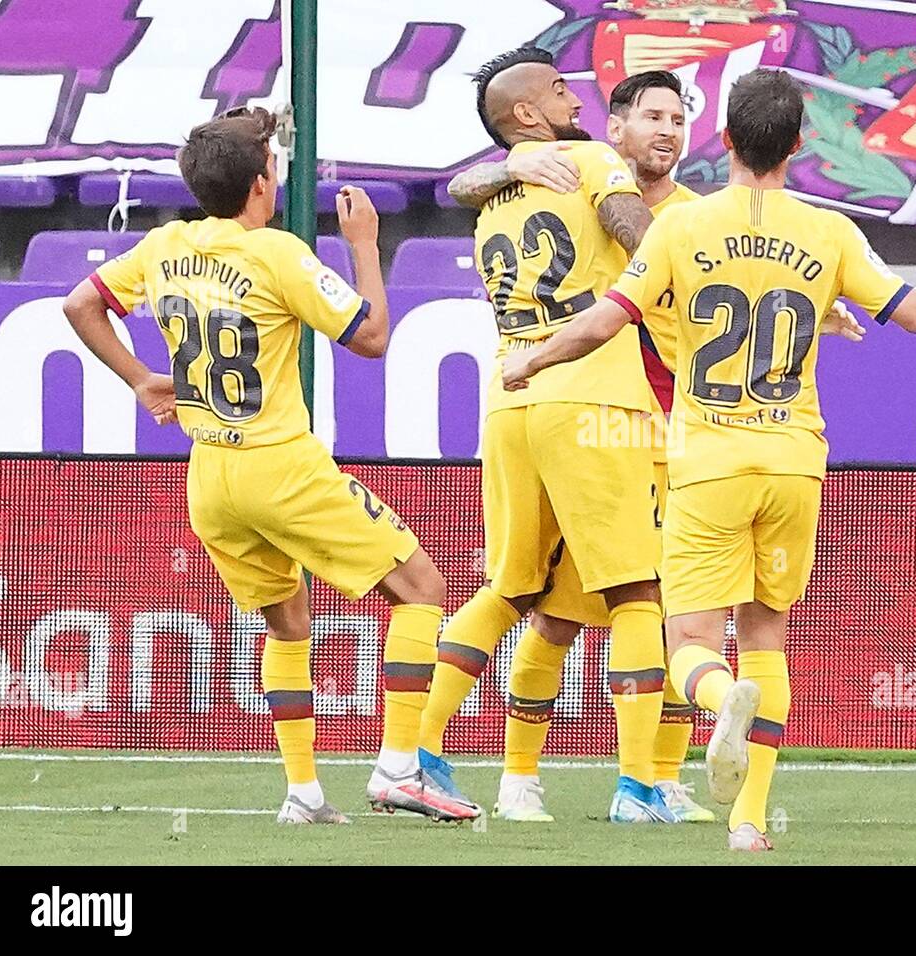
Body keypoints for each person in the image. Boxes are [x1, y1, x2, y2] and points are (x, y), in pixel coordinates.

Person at [502, 68, 916, 850]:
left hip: (710, 461)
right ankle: (748, 822)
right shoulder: (830, 232)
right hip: (794, 463)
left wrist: (532, 360)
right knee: (766, 637)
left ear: (723, 139)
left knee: (689, 645)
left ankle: (720, 703)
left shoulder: (681, 226)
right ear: (801, 145)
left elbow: (605, 321)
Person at [63, 107, 447, 825]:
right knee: (422, 586)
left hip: (210, 474)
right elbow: (370, 337)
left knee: (288, 624)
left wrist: (143, 378)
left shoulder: (165, 246)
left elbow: (82, 302)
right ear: (263, 185)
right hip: (280, 464)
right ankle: (399, 768)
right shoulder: (275, 252)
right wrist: (365, 245)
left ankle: (303, 793)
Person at [411, 44, 676, 823]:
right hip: (594, 397)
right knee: (638, 593)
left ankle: (416, 754)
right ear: (527, 112)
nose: (574, 95)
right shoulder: (589, 159)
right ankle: (637, 788)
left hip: (510, 396)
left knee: (511, 587)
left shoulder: (496, 194)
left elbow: (462, 182)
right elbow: (639, 233)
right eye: (559, 89)